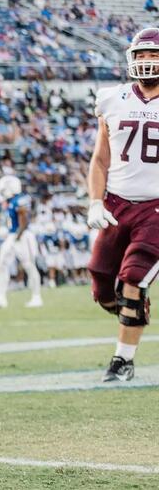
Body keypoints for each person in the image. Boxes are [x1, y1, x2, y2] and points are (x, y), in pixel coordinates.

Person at [86, 27, 159, 383]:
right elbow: (100, 158)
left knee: (133, 277)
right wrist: (95, 202)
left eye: (154, 55)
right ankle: (135, 311)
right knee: (101, 286)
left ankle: (122, 361)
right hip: (117, 201)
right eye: (141, 55)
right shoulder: (111, 98)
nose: (146, 62)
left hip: (156, 207)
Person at [0, 175, 43, 308]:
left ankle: (36, 297)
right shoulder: (11, 201)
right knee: (2, 264)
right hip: (13, 235)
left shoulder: (20, 200)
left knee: (29, 265)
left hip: (23, 235)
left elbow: (24, 220)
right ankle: (1, 297)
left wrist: (18, 236)